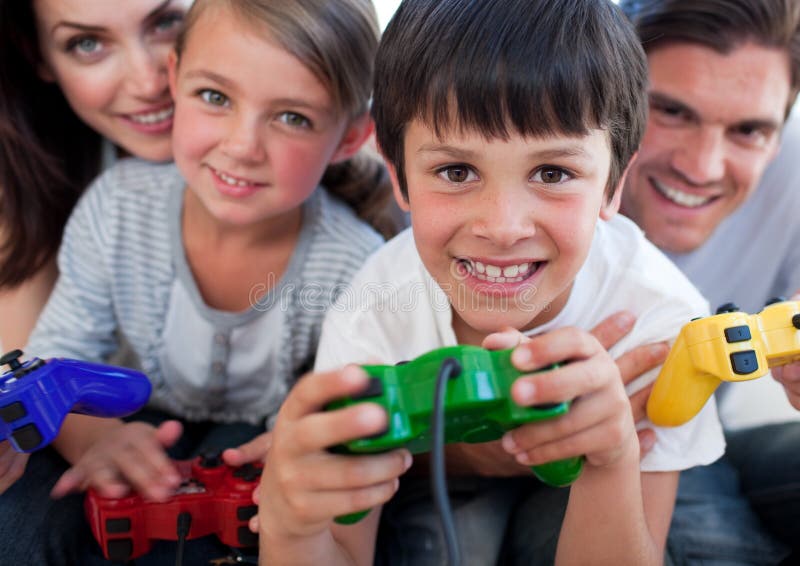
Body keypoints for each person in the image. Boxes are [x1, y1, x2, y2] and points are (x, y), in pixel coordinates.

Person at [256, 1, 726, 564]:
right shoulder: (373, 310)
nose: (502, 227)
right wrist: (290, 527)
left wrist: (610, 460)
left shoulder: (663, 319)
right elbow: (342, 550)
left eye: (553, 173)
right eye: (456, 172)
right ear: (398, 174)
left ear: (612, 185)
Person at [0, 0, 394, 563]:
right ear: (174, 79)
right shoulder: (115, 210)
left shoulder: (357, 262)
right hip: (125, 426)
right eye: (215, 97)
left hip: (257, 449)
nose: (241, 146)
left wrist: (299, 444)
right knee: (18, 524)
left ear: (352, 137)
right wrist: (97, 438)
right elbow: (57, 357)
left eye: (292, 117)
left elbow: (340, 407)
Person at [615, 0, 800, 563]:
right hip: (537, 462)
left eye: (748, 131)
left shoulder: (791, 172)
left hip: (696, 440)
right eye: (670, 111)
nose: (701, 166)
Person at [0, 0, 191, 494]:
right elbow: (37, 360)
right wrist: (94, 441)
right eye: (88, 43)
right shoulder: (26, 179)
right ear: (38, 54)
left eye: (167, 22)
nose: (149, 81)